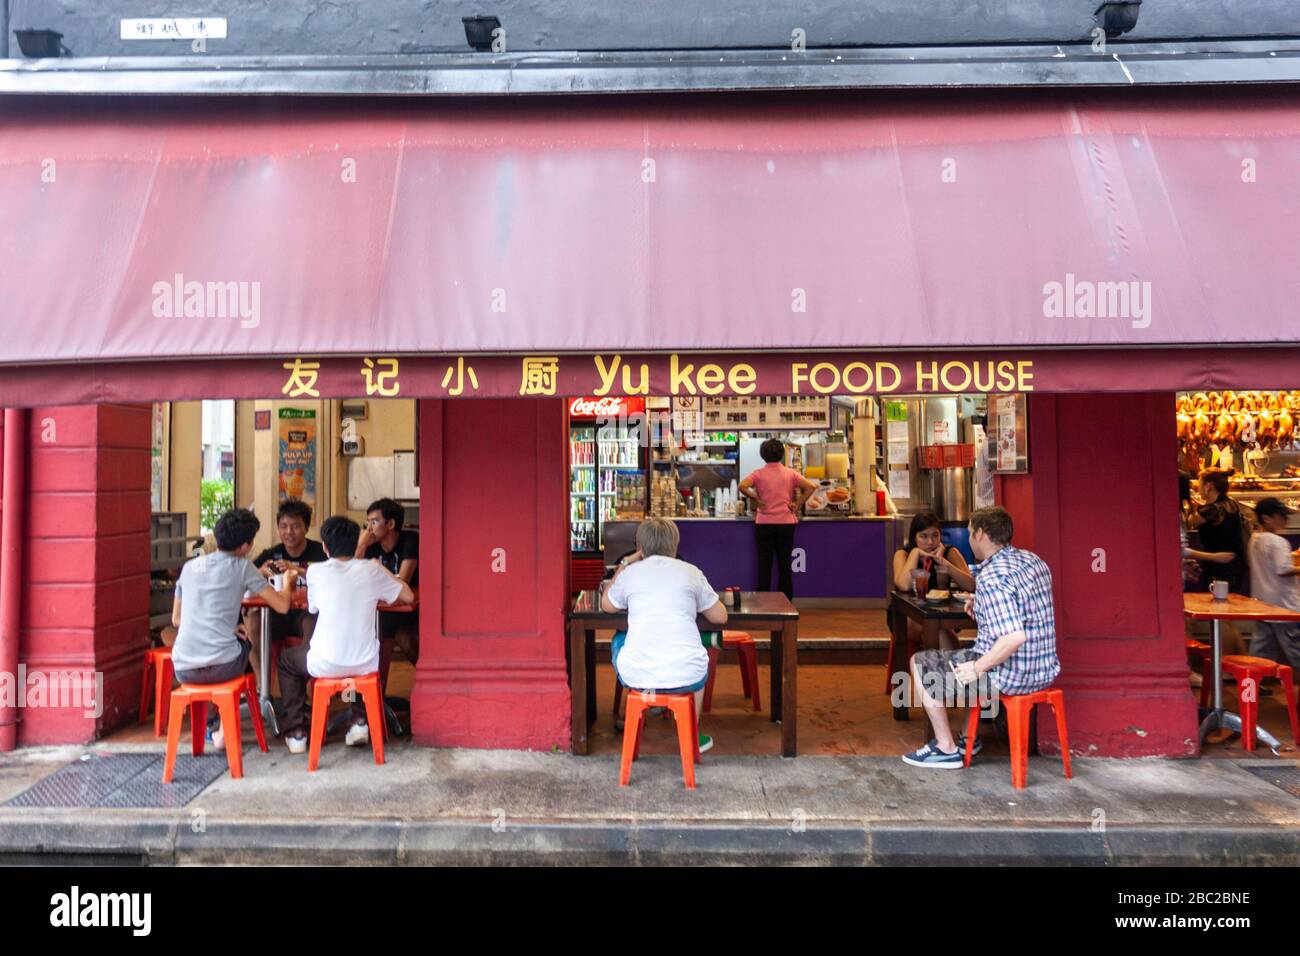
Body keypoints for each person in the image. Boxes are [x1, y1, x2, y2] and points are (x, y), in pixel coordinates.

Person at [902, 506, 1060, 769]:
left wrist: (977, 668)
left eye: (970, 533)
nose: (969, 539)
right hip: (1044, 670)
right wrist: (981, 602)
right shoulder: (1033, 561)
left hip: (1013, 674)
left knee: (921, 663)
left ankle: (945, 747)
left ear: (981, 534)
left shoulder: (992, 577)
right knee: (976, 651)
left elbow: (1013, 637)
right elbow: (1023, 607)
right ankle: (968, 739)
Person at [278, 516, 415, 754]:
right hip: (365, 664)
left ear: (324, 547)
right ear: (357, 544)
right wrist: (380, 567)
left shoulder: (316, 572)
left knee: (287, 662)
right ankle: (359, 720)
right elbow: (409, 597)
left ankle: (297, 733)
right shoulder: (371, 570)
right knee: (360, 654)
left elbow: (313, 609)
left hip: (324, 663)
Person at [171, 508, 297, 748]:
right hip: (223, 666)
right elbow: (281, 606)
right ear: (246, 544)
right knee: (246, 639)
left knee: (230, 641)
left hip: (184, 667)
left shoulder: (190, 568)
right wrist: (288, 582)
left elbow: (177, 620)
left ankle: (212, 723)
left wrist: (228, 628)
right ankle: (228, 724)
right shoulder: (242, 567)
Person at [601, 518, 729, 752]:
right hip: (688, 673)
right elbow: (720, 617)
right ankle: (691, 734)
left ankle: (641, 706)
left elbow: (607, 605)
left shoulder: (631, 574)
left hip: (636, 673)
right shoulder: (691, 573)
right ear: (675, 544)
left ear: (640, 545)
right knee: (698, 654)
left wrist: (626, 562)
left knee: (620, 636)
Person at [243, 498, 327, 693]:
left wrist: (296, 569)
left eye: (296, 526)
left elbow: (334, 576)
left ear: (306, 527)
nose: (289, 532)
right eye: (284, 526)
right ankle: (263, 685)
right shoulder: (271, 554)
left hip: (307, 614)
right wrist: (260, 573)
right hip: (277, 614)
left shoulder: (320, 553)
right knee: (252, 622)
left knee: (312, 624)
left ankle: (299, 687)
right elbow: (245, 581)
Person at [738, 438, 817, 599]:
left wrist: (756, 499)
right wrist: (797, 503)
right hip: (786, 524)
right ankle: (786, 604)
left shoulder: (758, 474)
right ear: (781, 454)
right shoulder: (790, 473)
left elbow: (742, 485)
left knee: (764, 566)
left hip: (764, 525)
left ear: (762, 455)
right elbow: (811, 486)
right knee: (784, 566)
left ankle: (763, 605)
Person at [1186, 468, 1253, 654]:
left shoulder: (1211, 510)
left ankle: (1226, 664)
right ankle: (1239, 658)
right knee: (1227, 617)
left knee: (1220, 617)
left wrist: (1189, 501)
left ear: (1208, 486)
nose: (1198, 489)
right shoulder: (1232, 505)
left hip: (1220, 566)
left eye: (1199, 485)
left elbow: (1191, 521)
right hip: (1235, 565)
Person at [355, 497, 419, 679]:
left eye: (374, 522)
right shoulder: (371, 546)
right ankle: (371, 698)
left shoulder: (410, 539)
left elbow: (402, 582)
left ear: (390, 524)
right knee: (366, 635)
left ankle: (432, 683)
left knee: (405, 639)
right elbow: (351, 576)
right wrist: (361, 545)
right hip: (382, 610)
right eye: (367, 523)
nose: (369, 529)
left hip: (409, 610)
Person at [891, 512, 974, 651]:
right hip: (907, 615)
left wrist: (945, 565)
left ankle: (940, 669)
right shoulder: (903, 554)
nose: (930, 542)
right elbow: (904, 585)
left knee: (938, 627)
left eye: (935, 535)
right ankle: (947, 669)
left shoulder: (950, 552)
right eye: (923, 536)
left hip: (943, 614)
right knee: (935, 628)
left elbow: (971, 585)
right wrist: (915, 553)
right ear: (914, 538)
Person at [1246, 498, 1300, 671]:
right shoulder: (1278, 542)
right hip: (1284, 605)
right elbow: (1283, 569)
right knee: (1296, 649)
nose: (1285, 520)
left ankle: (1251, 684)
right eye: (1281, 516)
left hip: (1263, 604)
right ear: (1266, 518)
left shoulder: (1254, 539)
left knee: (1260, 649)